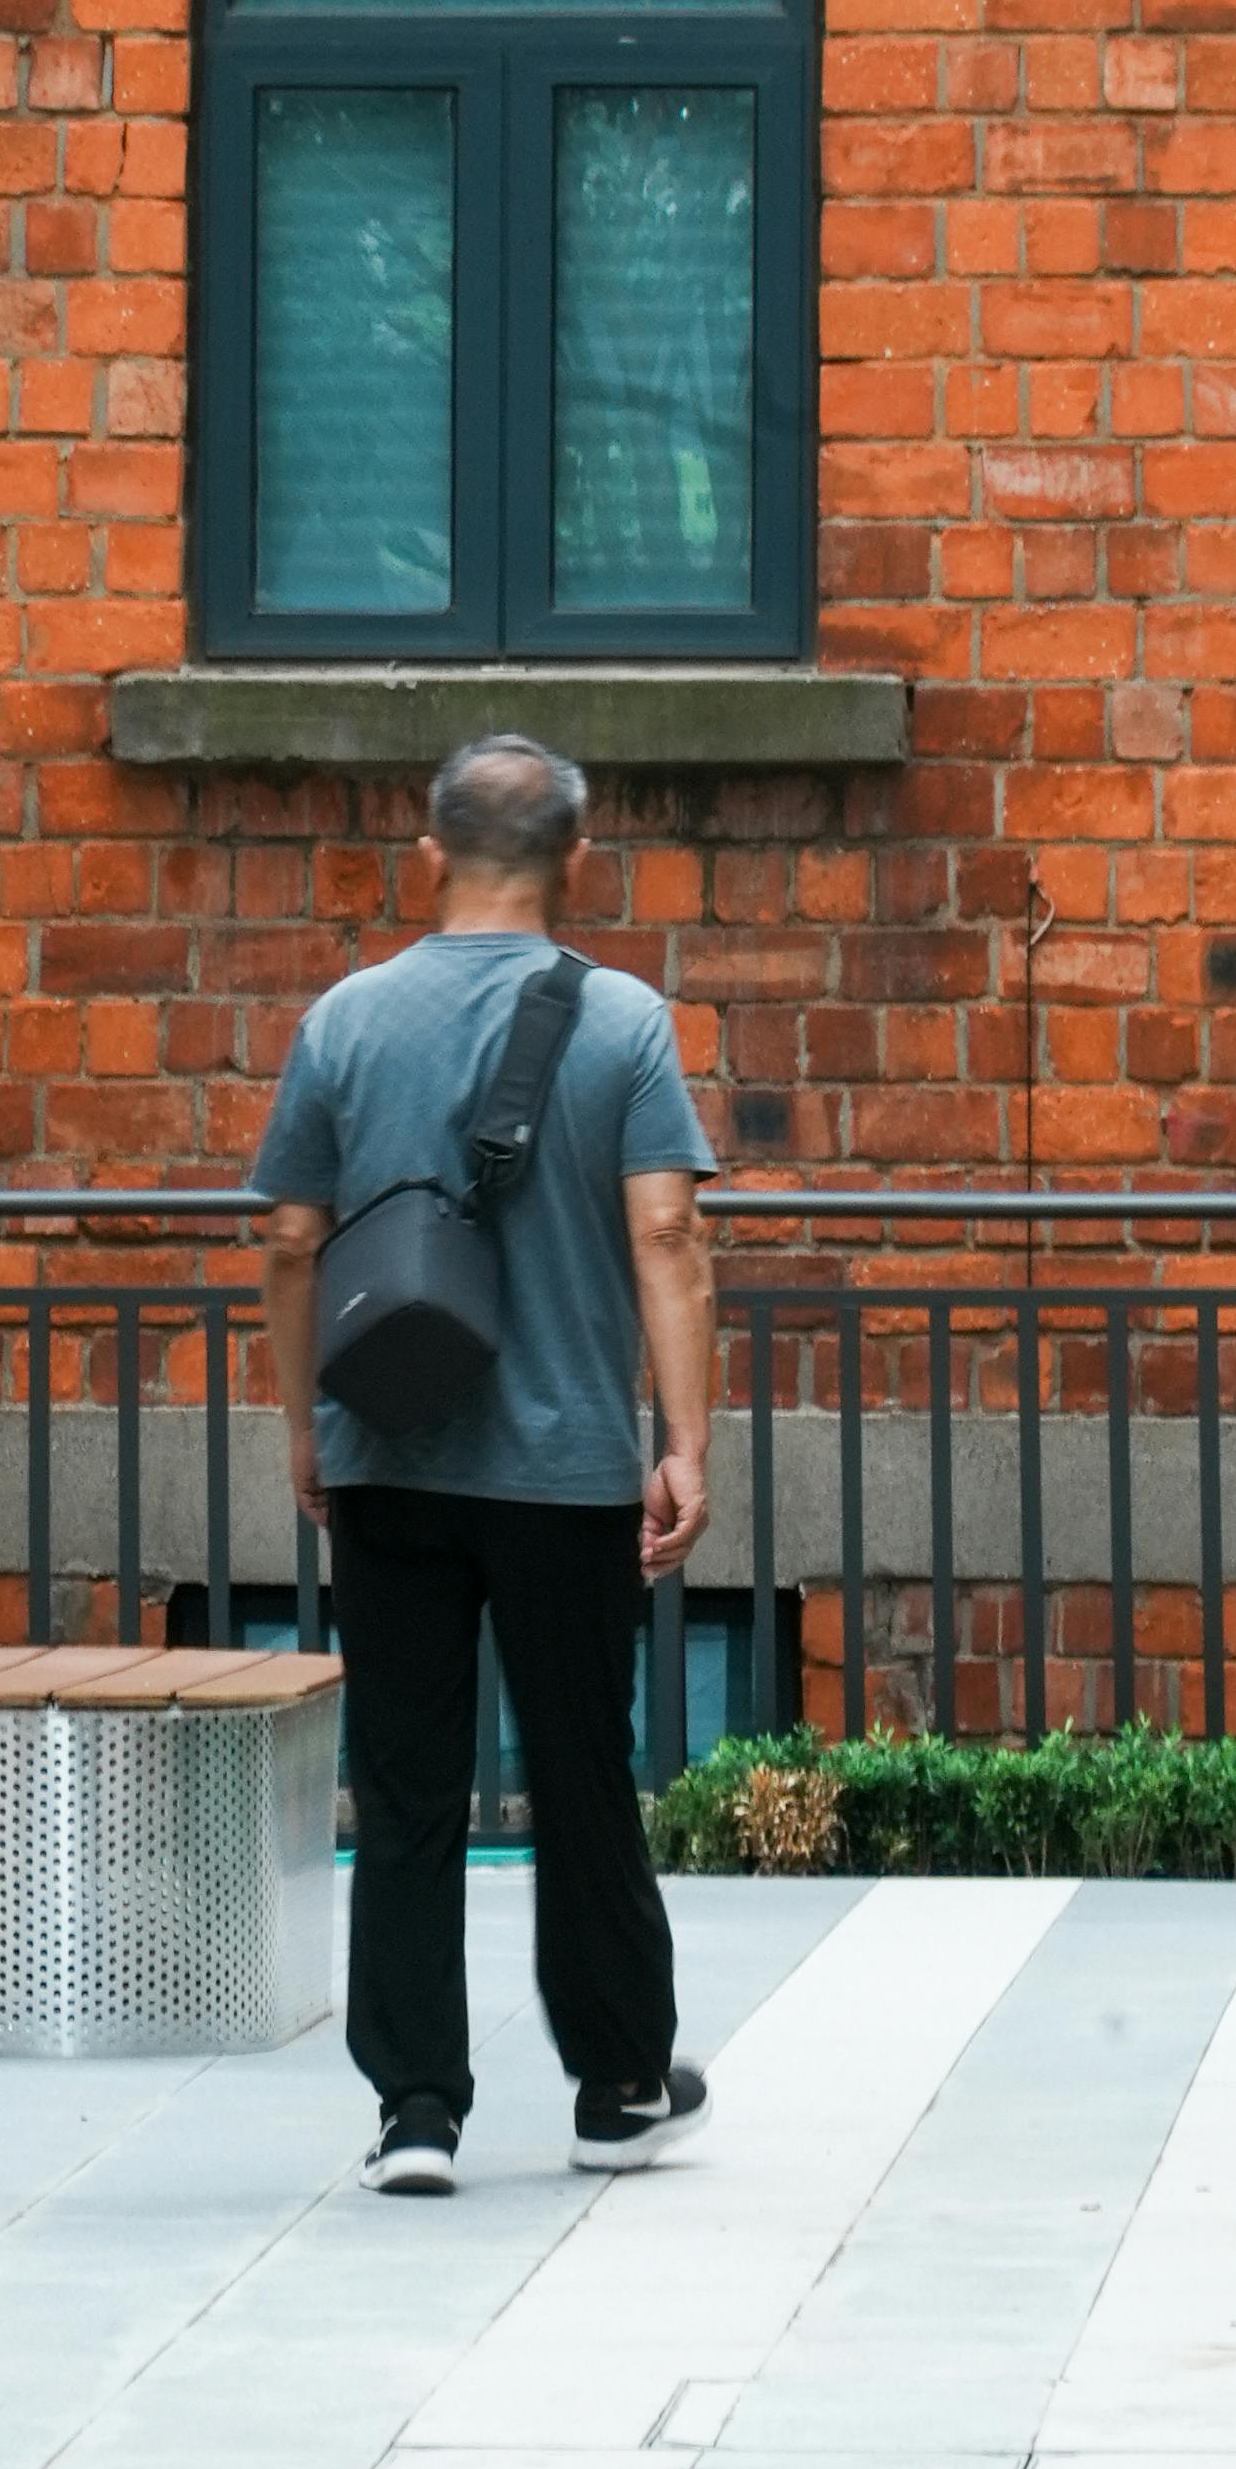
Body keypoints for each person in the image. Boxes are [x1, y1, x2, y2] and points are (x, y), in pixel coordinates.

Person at [255, 728, 717, 2195]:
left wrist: (301, 1428)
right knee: (583, 1771)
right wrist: (683, 1440)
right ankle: (617, 2081)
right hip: (571, 1463)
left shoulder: (344, 1019)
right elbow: (666, 1233)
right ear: (577, 859)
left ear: (428, 851)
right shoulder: (625, 1021)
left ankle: (415, 2111)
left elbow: (285, 1238)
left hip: (389, 1454)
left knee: (402, 1784)